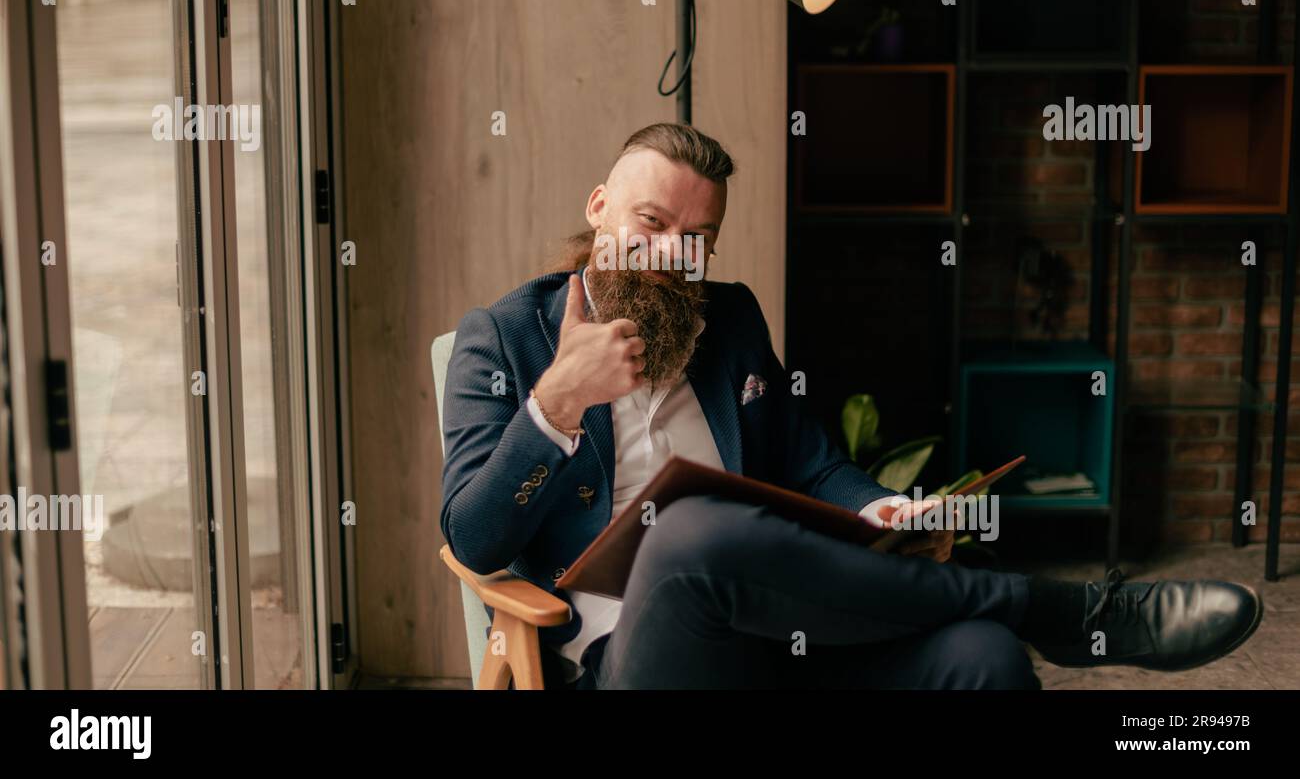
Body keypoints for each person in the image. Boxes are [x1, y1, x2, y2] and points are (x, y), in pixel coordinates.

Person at [439, 122, 1263, 689]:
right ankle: (1061, 607)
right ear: (598, 208)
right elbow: (474, 539)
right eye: (650, 222)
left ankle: (1022, 618)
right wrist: (559, 401)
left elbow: (809, 460)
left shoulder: (727, 320)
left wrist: (878, 506)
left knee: (986, 661)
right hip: (638, 660)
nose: (670, 256)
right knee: (686, 529)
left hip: (778, 639)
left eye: (696, 239)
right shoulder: (505, 339)